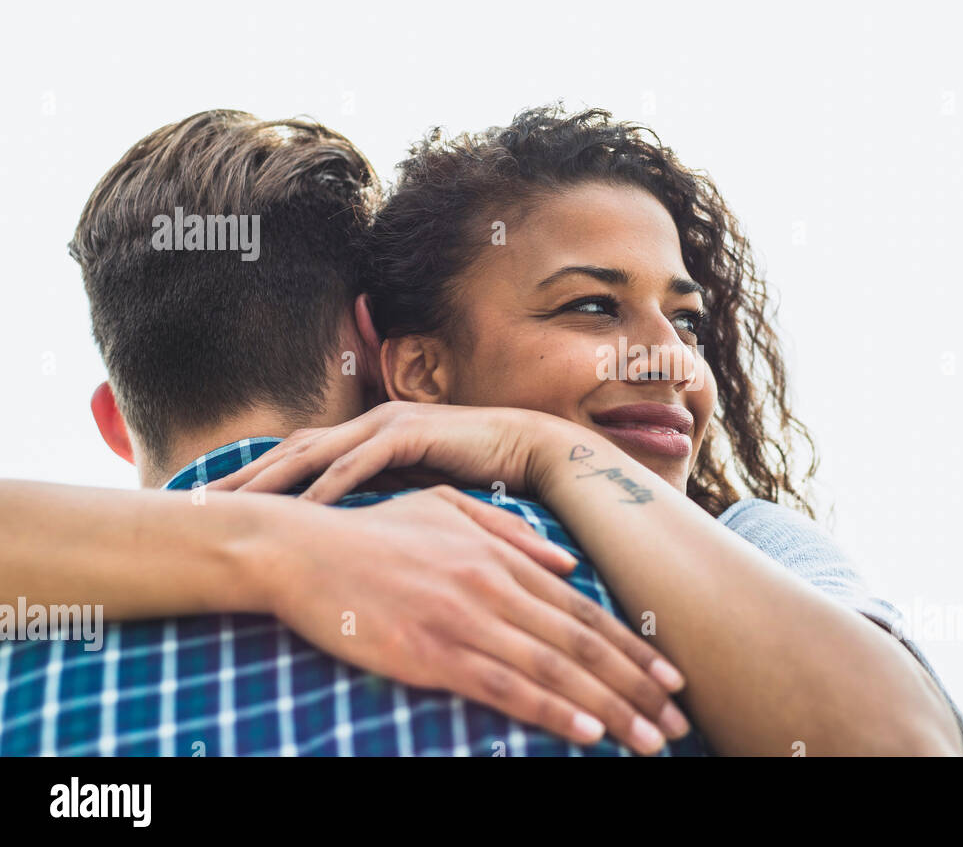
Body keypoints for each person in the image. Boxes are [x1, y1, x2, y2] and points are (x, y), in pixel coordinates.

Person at [214, 105, 963, 756]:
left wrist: (549, 450)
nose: (670, 360)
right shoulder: (333, 538)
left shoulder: (755, 542)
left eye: (687, 321)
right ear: (419, 370)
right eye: (593, 307)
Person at [0, 109, 698, 756]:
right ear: (377, 351)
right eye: (590, 306)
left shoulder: (24, 639)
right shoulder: (604, 565)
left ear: (115, 422)